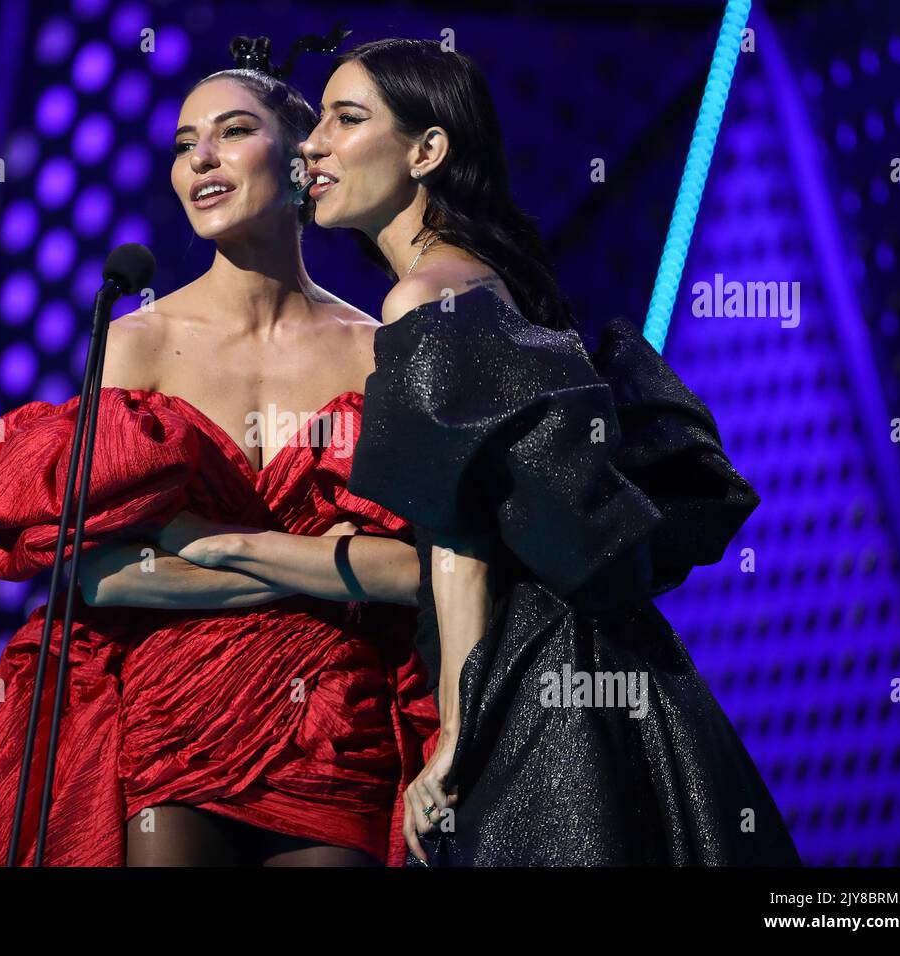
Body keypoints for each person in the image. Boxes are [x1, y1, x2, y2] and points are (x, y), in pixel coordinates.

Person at [0, 40, 438, 867]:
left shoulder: (380, 350)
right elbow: (97, 573)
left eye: (231, 132)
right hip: (175, 719)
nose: (203, 159)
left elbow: (408, 572)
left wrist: (203, 542)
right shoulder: (136, 343)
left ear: (302, 165)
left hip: (331, 721)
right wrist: (310, 568)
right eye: (185, 145)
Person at [286, 37, 803, 866]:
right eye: (318, 121)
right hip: (592, 660)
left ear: (427, 150)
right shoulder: (481, 275)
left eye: (347, 120)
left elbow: (458, 534)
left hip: (531, 677)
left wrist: (460, 724)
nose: (312, 144)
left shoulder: (424, 293)